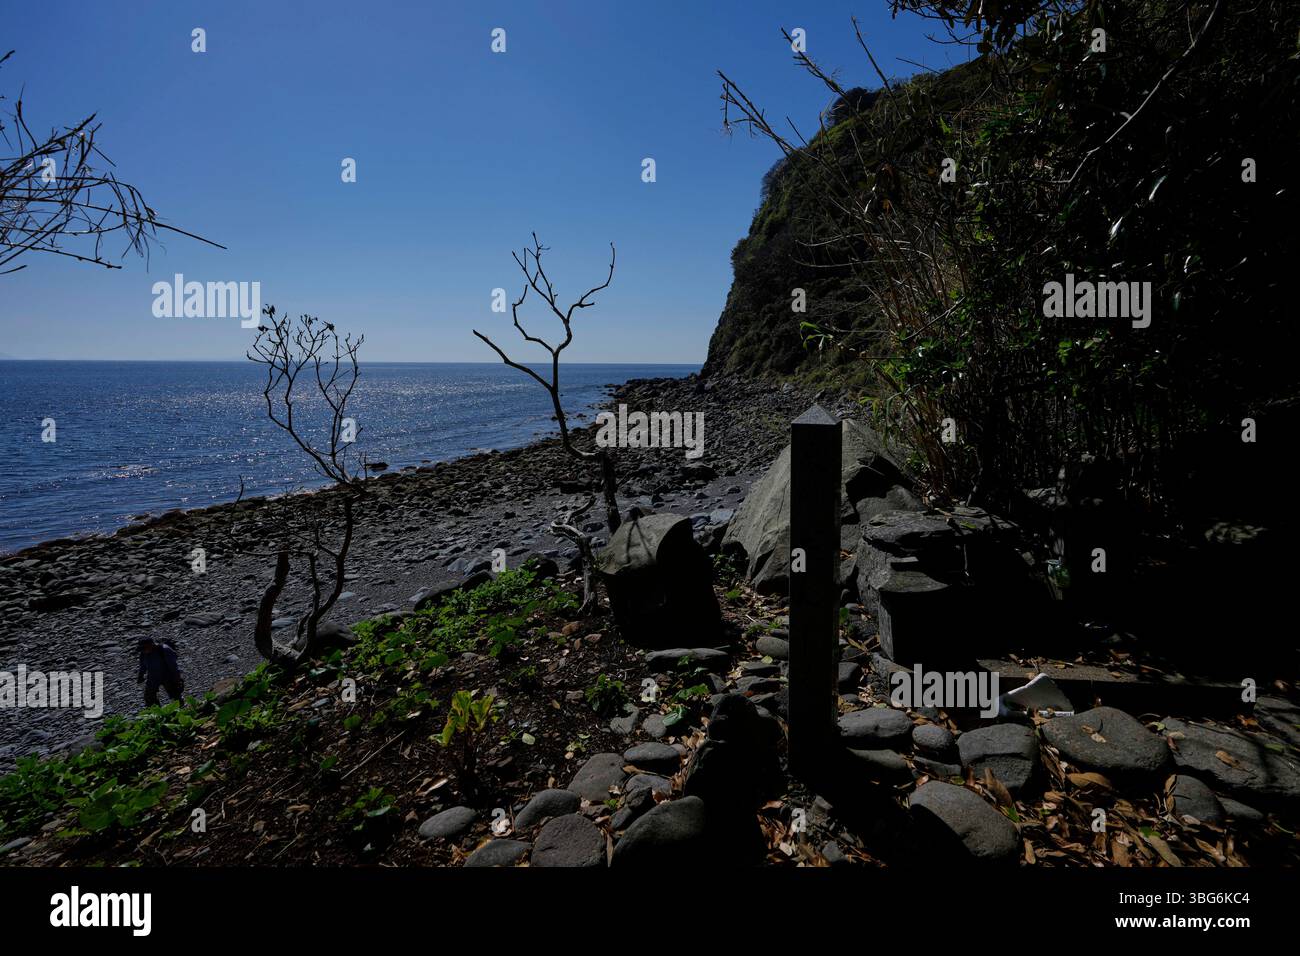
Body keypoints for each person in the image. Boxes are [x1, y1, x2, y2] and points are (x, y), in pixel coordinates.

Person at [136, 638, 184, 706]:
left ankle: (182, 709)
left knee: (175, 694)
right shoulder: (143, 654)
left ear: (151, 645)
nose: (143, 650)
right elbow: (143, 666)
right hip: (152, 677)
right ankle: (156, 713)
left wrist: (177, 678)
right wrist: (140, 676)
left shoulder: (164, 650)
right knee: (149, 697)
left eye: (144, 648)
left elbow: (173, 666)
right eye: (141, 649)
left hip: (168, 676)